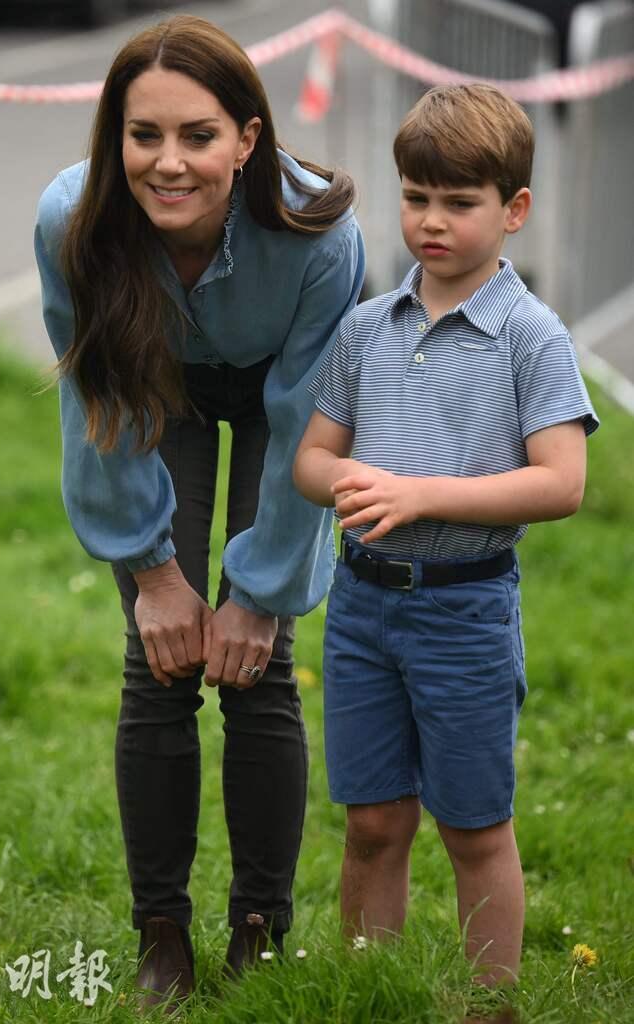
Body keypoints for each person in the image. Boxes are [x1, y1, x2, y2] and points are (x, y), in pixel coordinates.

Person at [34, 14, 365, 1010]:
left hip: (280, 390)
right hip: (156, 386)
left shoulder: (320, 234)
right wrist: (153, 573)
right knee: (162, 653)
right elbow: (99, 401)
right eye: (145, 136)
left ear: (248, 139)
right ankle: (161, 935)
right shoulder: (74, 223)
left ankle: (260, 932)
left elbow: (313, 421)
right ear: (114, 136)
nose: (169, 163)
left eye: (198, 136)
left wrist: (258, 592)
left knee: (257, 663)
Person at [294, 84, 598, 989]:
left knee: (473, 827)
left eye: (459, 203)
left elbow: (561, 483)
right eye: (417, 197)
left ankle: (489, 1007)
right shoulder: (365, 331)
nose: (432, 221)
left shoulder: (531, 338)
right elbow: (313, 458)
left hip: (464, 612)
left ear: (514, 211)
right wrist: (352, 486)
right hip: (359, 611)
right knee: (372, 823)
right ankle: (368, 994)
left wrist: (423, 493)